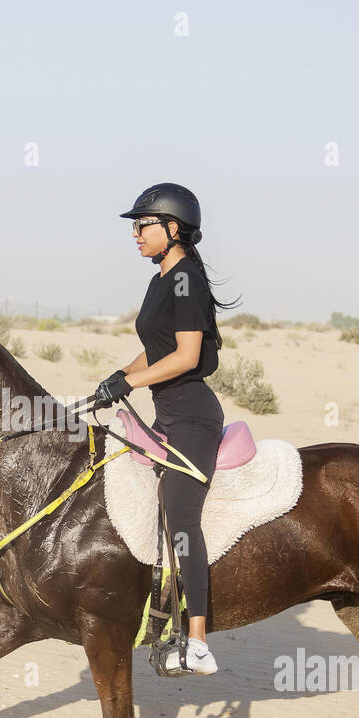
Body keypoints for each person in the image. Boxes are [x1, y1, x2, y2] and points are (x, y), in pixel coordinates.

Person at [93, 183, 239, 676]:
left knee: (180, 512)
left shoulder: (186, 282)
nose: (135, 234)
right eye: (135, 226)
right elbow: (158, 349)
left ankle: (196, 640)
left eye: (143, 225)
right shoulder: (161, 279)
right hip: (166, 413)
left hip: (194, 417)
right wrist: (118, 378)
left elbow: (187, 356)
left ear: (173, 229)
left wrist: (131, 381)